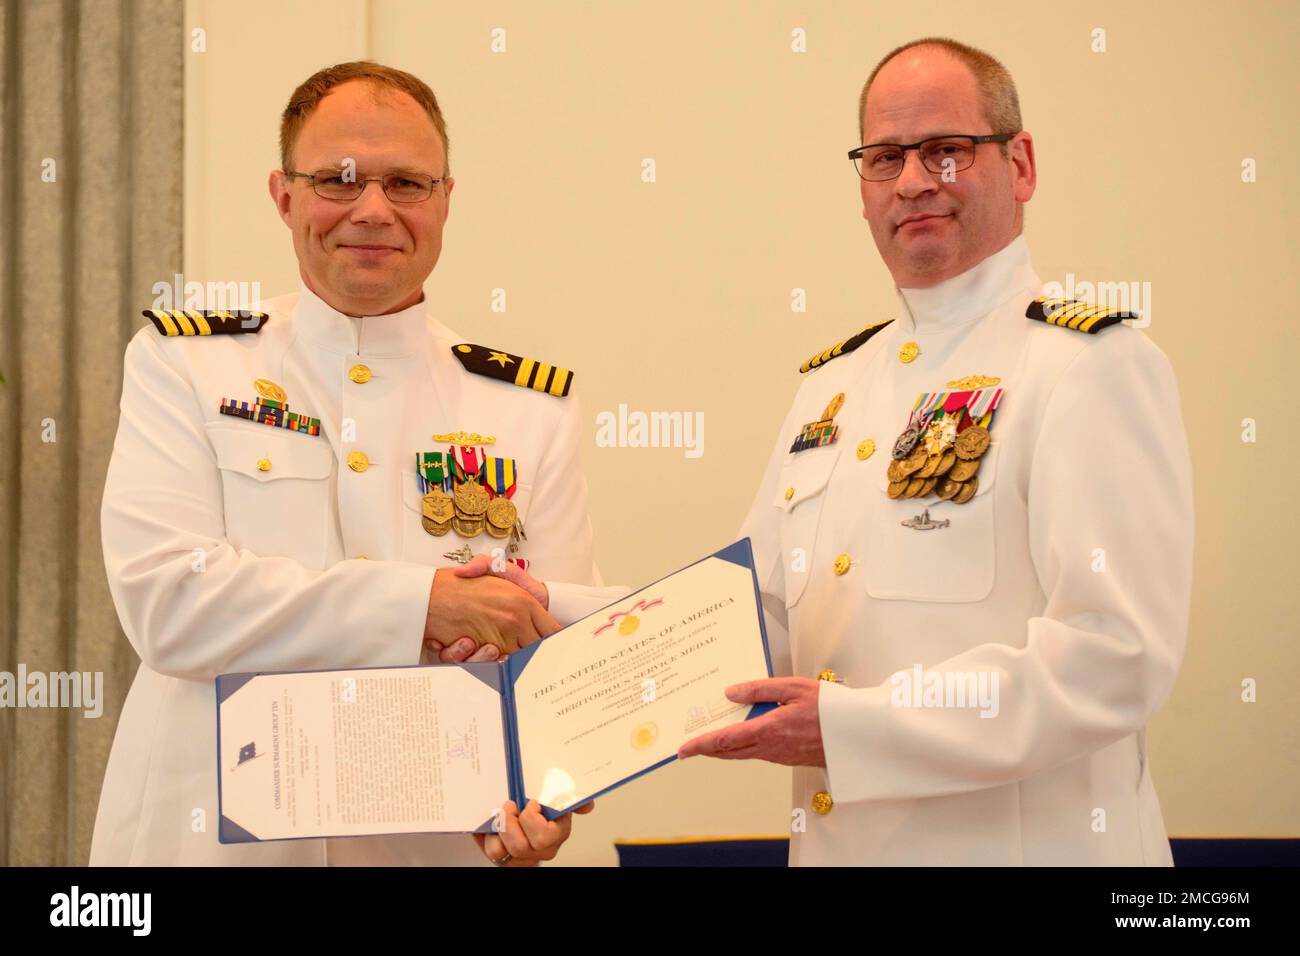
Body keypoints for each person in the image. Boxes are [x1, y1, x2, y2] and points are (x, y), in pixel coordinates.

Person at [672, 37, 1195, 865]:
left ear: (1019, 165)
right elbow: (747, 619)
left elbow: (1112, 660)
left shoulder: (1088, 366)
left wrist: (853, 727)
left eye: (946, 151)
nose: (913, 180)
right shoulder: (830, 390)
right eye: (884, 158)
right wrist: (536, 611)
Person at [91, 61, 600, 866]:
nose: (372, 210)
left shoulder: (528, 407)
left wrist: (549, 792)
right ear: (283, 194)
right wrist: (421, 605)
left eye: (405, 183)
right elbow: (170, 603)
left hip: (431, 849)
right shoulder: (184, 364)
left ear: (443, 200)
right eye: (339, 179)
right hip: (208, 842)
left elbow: (548, 654)